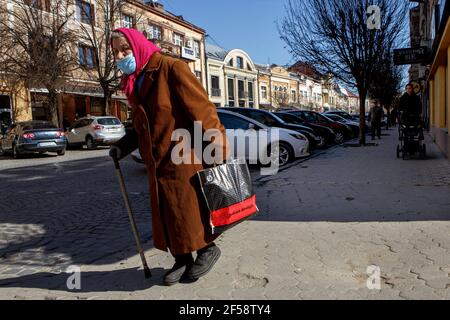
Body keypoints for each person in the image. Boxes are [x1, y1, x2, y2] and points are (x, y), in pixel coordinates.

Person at [109, 28, 229, 286]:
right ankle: (181, 258)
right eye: (116, 52)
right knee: (168, 211)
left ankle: (208, 249)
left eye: (124, 50)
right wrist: (123, 146)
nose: (120, 56)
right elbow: (142, 125)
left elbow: (204, 112)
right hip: (157, 161)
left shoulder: (171, 68)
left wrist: (219, 151)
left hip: (183, 156)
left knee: (187, 209)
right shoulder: (137, 80)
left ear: (138, 46)